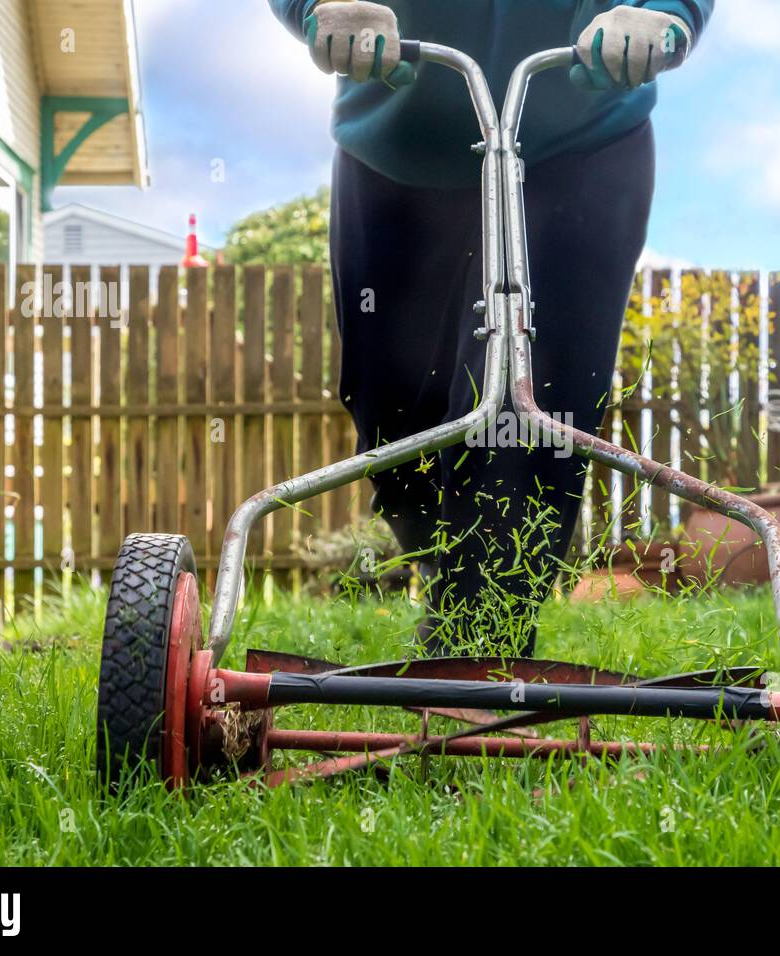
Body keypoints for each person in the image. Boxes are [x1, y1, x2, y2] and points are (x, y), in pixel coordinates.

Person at [269, 0, 711, 655]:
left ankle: (489, 629)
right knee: (389, 402)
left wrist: (664, 9)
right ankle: (447, 583)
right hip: (397, 147)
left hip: (580, 144)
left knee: (539, 398)